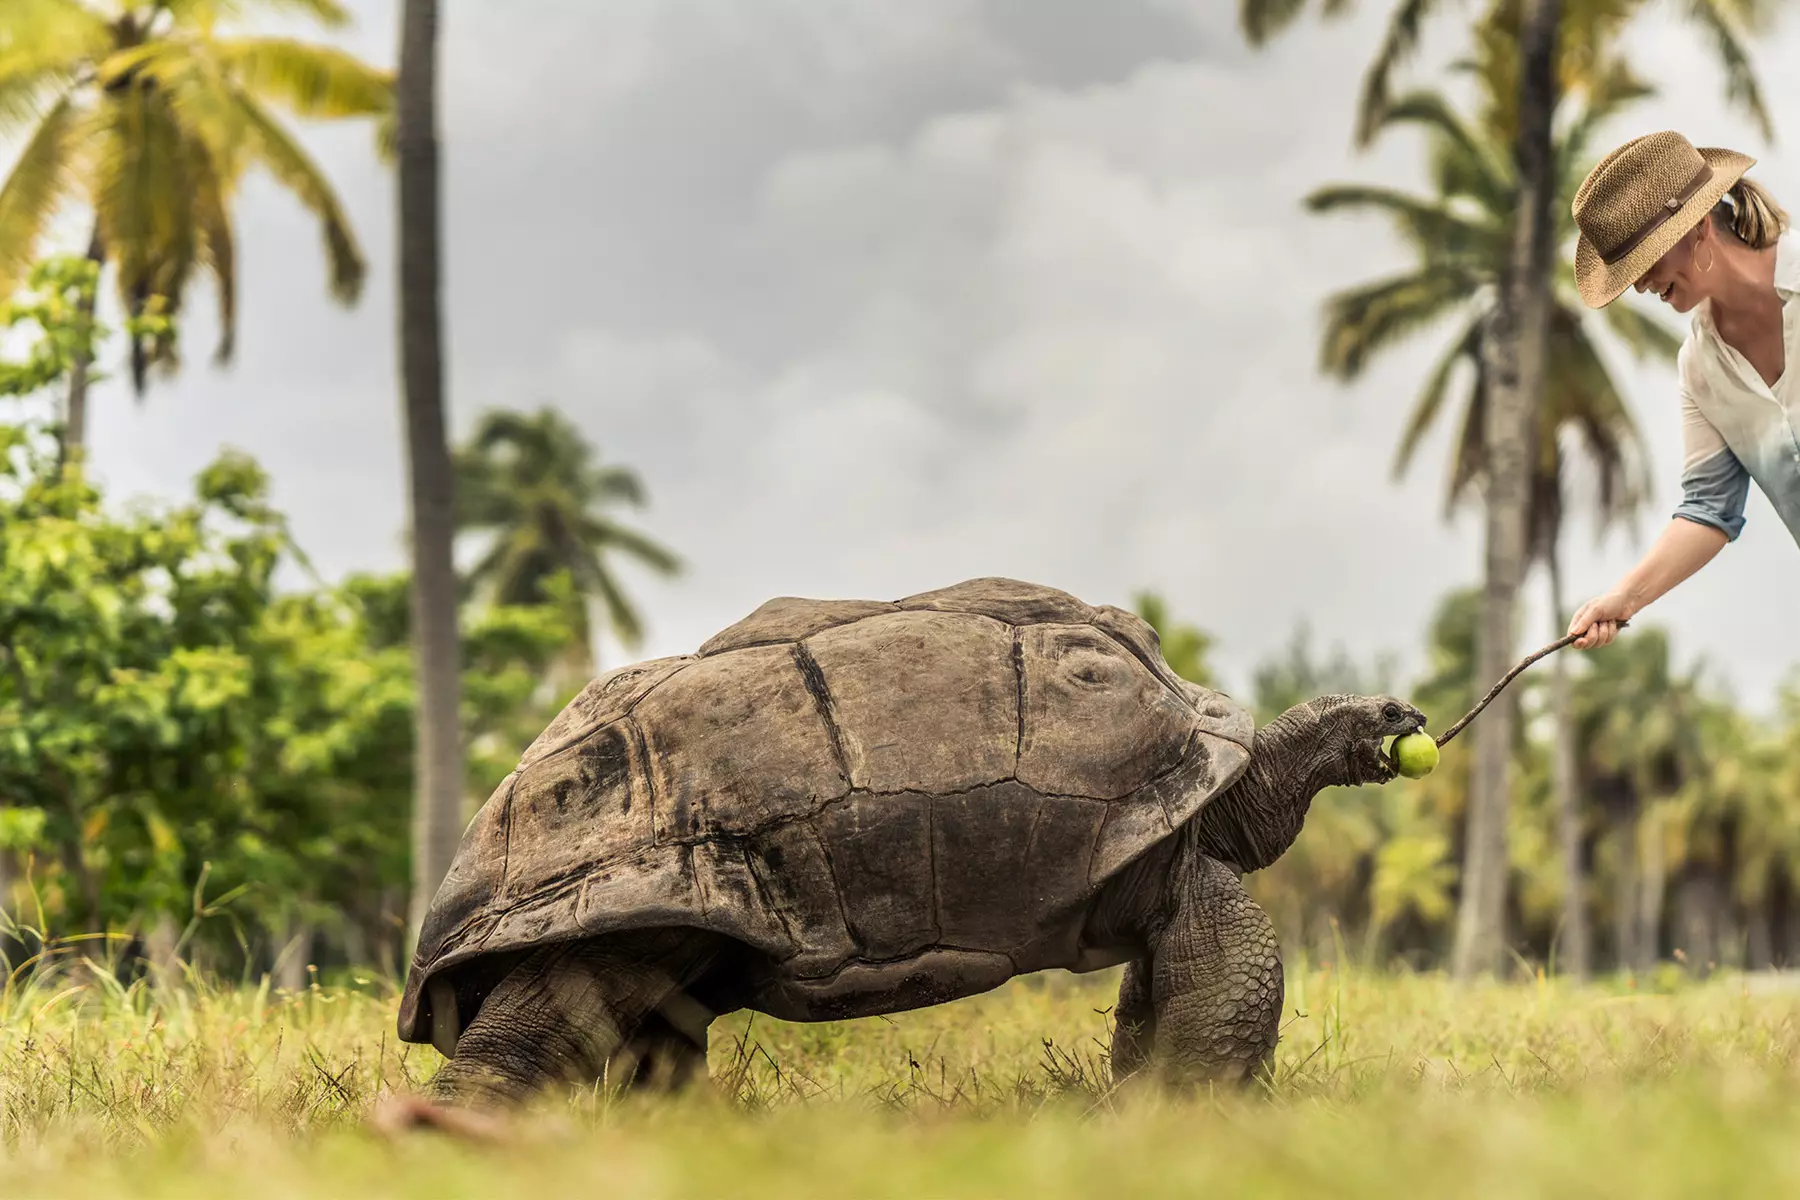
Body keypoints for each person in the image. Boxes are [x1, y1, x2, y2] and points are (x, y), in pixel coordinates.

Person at [1563, 130, 1795, 650]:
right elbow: (1709, 509)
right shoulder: (1700, 369)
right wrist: (1625, 596)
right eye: (1629, 271)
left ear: (1695, 227)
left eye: (1645, 260)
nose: (1641, 284)